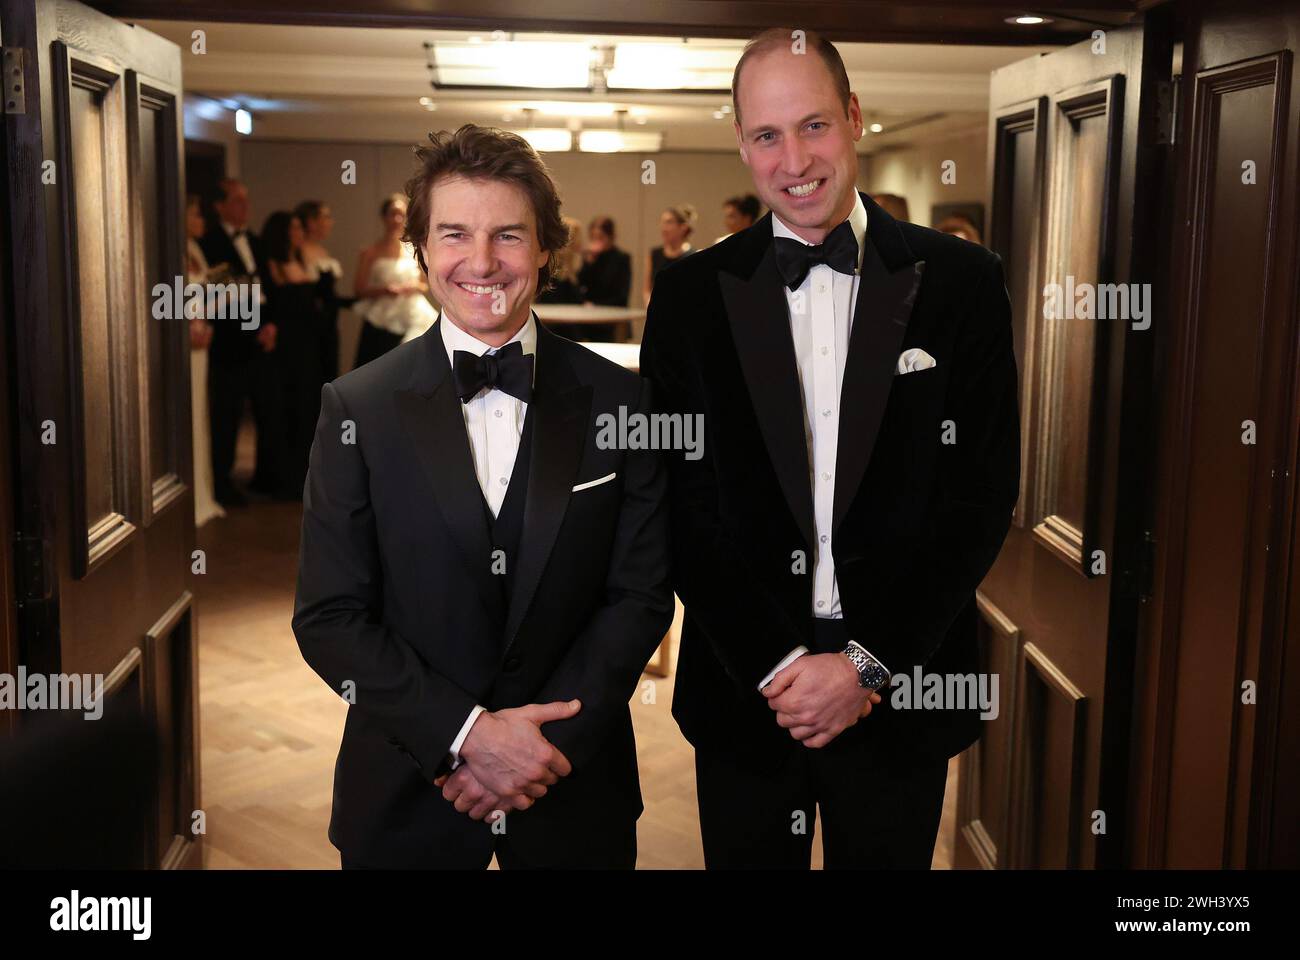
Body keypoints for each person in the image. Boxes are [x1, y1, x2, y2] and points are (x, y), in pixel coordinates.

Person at [639, 27, 1020, 869]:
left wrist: (865, 665)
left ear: (854, 117)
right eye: (767, 135)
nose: (793, 159)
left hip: (901, 683)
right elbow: (677, 503)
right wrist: (778, 664)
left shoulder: (963, 282)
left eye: (812, 125)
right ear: (742, 143)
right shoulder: (690, 297)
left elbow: (980, 496)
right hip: (747, 691)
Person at [293, 123, 673, 870]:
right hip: (407, 788)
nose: (482, 262)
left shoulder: (625, 399)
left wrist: (538, 750)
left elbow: (640, 597)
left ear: (545, 249)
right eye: (455, 234)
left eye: (508, 235)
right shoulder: (356, 407)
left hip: (572, 785)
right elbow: (330, 616)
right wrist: (467, 736)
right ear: (423, 249)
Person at [200, 178, 279, 507]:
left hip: (260, 339)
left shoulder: (257, 242)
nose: (244, 207)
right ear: (220, 206)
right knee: (226, 415)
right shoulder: (209, 243)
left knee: (267, 409)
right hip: (229, 341)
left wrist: (270, 324)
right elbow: (221, 294)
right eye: (237, 201)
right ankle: (222, 483)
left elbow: (267, 287)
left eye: (246, 201)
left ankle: (267, 477)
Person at [261, 210, 323, 499]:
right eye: (295, 227)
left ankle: (304, 475)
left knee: (306, 407)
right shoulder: (272, 265)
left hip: (308, 345)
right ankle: (281, 478)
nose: (300, 232)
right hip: (284, 348)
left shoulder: (302, 260)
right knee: (283, 409)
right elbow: (272, 308)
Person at [352, 194, 436, 367]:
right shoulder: (371, 252)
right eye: (393, 214)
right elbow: (359, 289)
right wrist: (385, 290)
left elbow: (423, 284)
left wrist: (412, 286)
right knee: (378, 365)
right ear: (384, 217)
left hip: (411, 313)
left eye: (402, 215)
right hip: (382, 317)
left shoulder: (413, 249)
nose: (397, 219)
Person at [184, 195, 226, 527]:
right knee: (187, 413)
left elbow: (201, 298)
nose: (202, 221)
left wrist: (210, 316)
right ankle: (187, 496)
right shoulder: (175, 251)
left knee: (201, 411)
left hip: (202, 343)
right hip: (185, 346)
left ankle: (202, 494)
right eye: (197, 214)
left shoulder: (195, 251)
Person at [295, 200, 345, 383]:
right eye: (326, 217)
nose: (330, 222)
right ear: (311, 222)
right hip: (311, 326)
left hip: (329, 324)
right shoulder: (299, 251)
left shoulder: (322, 250)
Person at [642, 204, 696, 306]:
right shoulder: (654, 254)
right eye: (662, 223)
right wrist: (651, 306)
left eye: (669, 222)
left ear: (683, 227)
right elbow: (647, 289)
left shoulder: (693, 256)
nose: (663, 228)